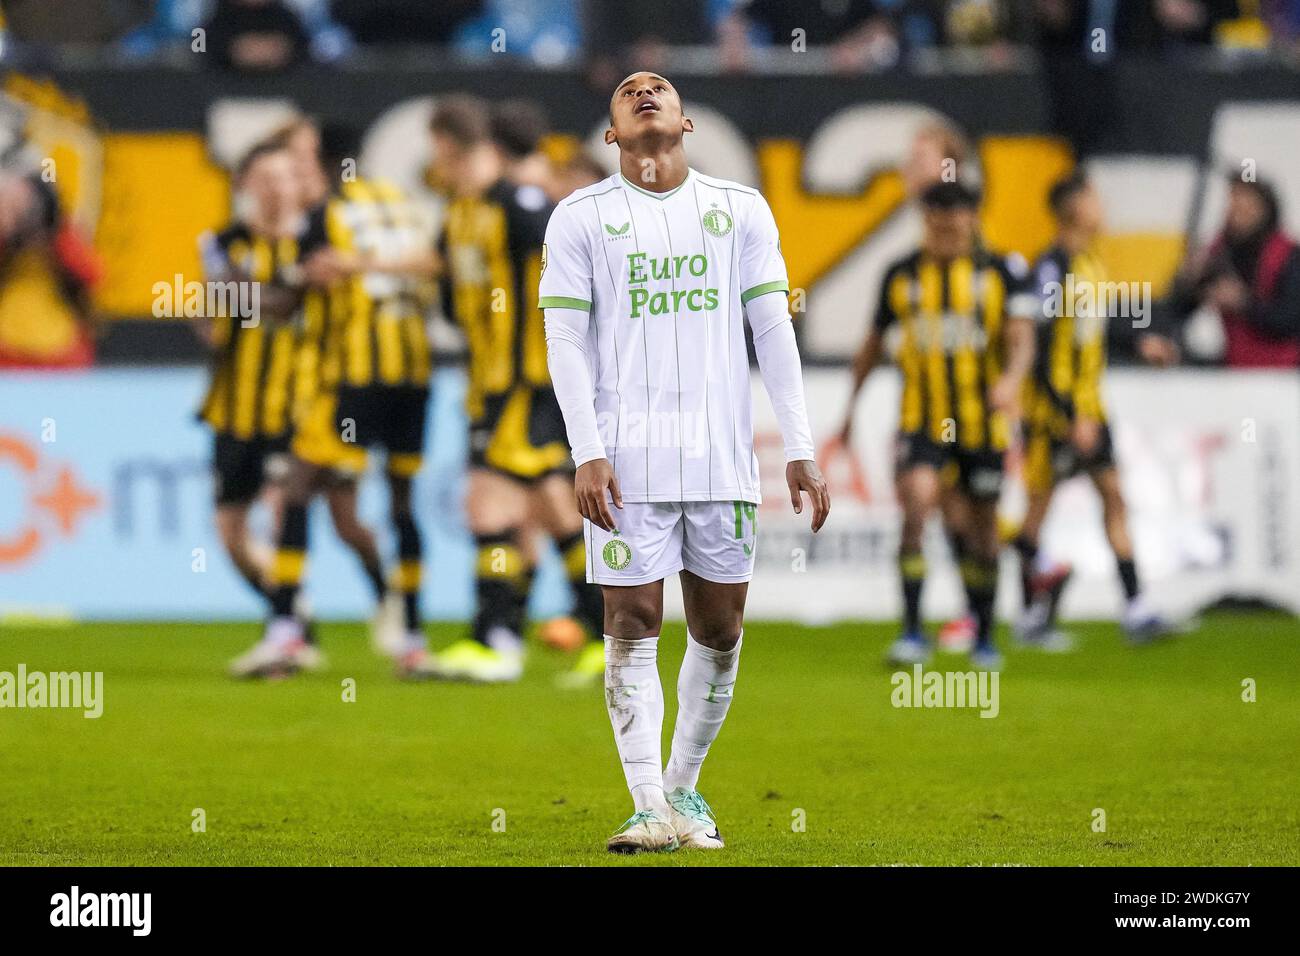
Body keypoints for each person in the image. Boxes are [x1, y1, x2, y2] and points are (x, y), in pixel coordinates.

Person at [541, 72, 829, 853]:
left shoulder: (739, 210)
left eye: (658, 88)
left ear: (685, 122)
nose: (642, 92)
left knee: (720, 628)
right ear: (610, 135)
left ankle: (682, 788)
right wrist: (587, 451)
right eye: (627, 91)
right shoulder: (579, 218)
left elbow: (772, 331)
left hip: (720, 459)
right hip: (626, 461)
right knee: (631, 621)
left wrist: (799, 445)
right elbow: (563, 342)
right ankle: (644, 806)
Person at [240, 124, 440, 679]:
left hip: (354, 380)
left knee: (297, 490)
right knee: (401, 504)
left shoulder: (324, 215)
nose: (296, 174)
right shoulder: (400, 202)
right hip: (415, 374)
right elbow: (436, 263)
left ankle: (283, 634)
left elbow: (293, 294)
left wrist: (282, 282)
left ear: (323, 163)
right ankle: (413, 638)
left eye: (302, 162)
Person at [429, 97, 606, 686]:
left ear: (466, 149)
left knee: (490, 504)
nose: (438, 166)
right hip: (494, 385)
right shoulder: (464, 213)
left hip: (527, 384)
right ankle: (606, 631)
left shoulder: (521, 204)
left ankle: (497, 638)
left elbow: (586, 260)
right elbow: (450, 291)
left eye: (442, 154)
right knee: (550, 506)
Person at [838, 178, 1036, 670]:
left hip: (982, 426)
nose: (945, 228)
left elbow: (1021, 339)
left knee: (981, 531)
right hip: (921, 421)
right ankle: (911, 632)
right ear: (924, 221)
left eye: (955, 218)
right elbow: (871, 347)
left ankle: (985, 635)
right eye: (935, 219)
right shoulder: (901, 276)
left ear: (972, 219)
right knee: (917, 504)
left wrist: (1011, 381)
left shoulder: (999, 274)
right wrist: (850, 410)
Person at [1016, 172, 1179, 647]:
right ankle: (1030, 616)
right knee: (1036, 514)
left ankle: (1136, 608)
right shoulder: (1051, 269)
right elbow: (1038, 347)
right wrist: (1069, 414)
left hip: (1090, 407)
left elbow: (1094, 330)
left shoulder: (1091, 263)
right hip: (1055, 413)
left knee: (1113, 496)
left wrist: (1140, 343)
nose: (1101, 206)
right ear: (1074, 207)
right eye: (1093, 198)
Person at [196, 141, 310, 643]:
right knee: (231, 535)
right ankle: (292, 614)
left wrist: (247, 293)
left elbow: (272, 303)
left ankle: (284, 630)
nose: (274, 187)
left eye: (283, 176)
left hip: (298, 404)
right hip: (234, 408)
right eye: (263, 177)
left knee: (287, 510)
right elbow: (211, 313)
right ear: (245, 185)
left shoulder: (317, 238)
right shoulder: (223, 241)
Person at [1168, 174, 1300, 368]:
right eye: (1233, 201)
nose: (1236, 209)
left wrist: (1243, 303)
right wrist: (1187, 279)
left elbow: (1290, 320)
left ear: (1264, 208)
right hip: (1236, 369)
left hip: (1285, 372)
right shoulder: (1220, 252)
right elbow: (1179, 310)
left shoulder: (1288, 255)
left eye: (1245, 203)